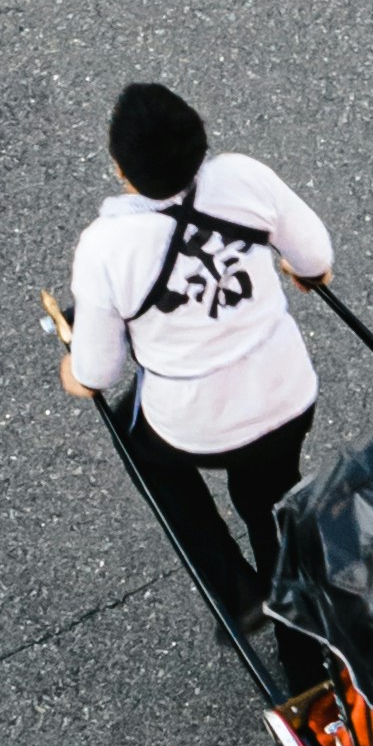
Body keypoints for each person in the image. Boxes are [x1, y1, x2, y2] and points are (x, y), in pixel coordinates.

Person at [61, 83, 333, 607]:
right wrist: (302, 271)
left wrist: (75, 371)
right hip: (289, 396)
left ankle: (235, 592)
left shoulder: (105, 247)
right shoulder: (241, 176)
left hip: (196, 427)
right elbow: (315, 260)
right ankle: (299, 624)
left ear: (122, 171)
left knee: (134, 436)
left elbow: (98, 372)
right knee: (267, 500)